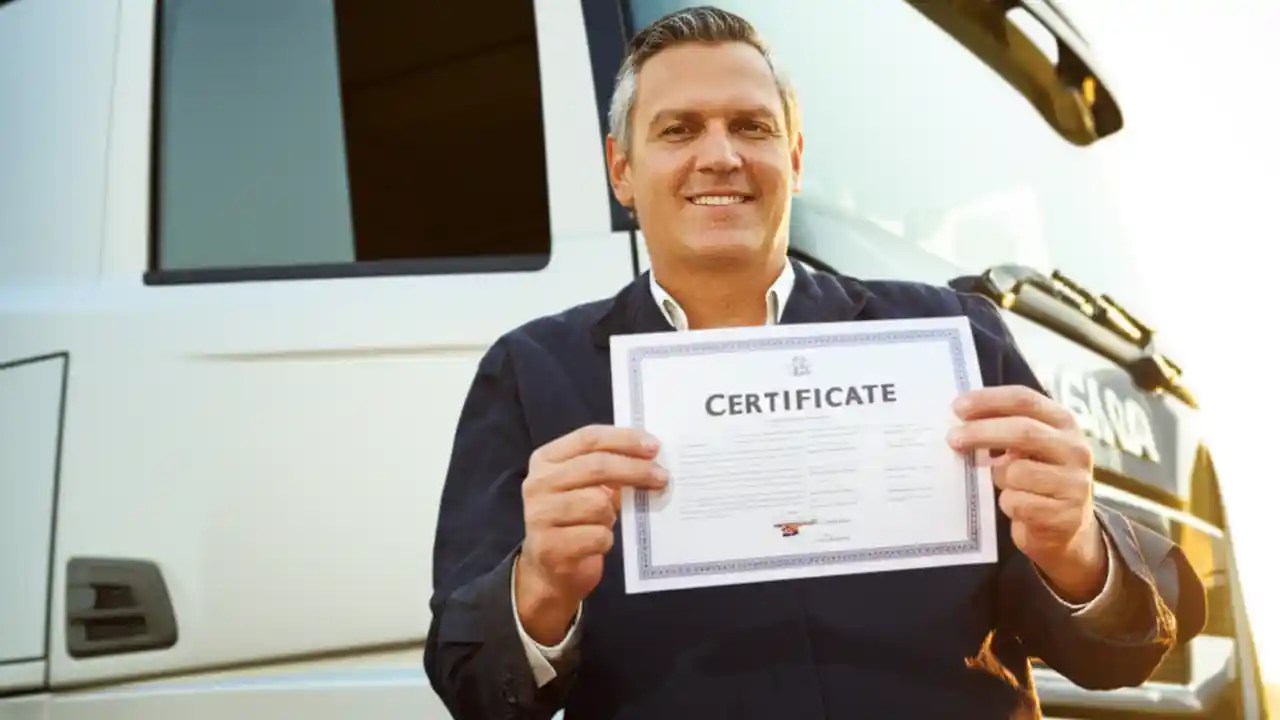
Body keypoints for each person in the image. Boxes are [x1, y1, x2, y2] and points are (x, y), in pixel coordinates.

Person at [422, 6, 1204, 718]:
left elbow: (1115, 657)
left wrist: (1076, 550)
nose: (720, 155)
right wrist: (539, 589)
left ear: (793, 156)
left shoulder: (952, 339)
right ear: (621, 169)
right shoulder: (532, 372)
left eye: (752, 127)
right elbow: (472, 685)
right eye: (679, 129)